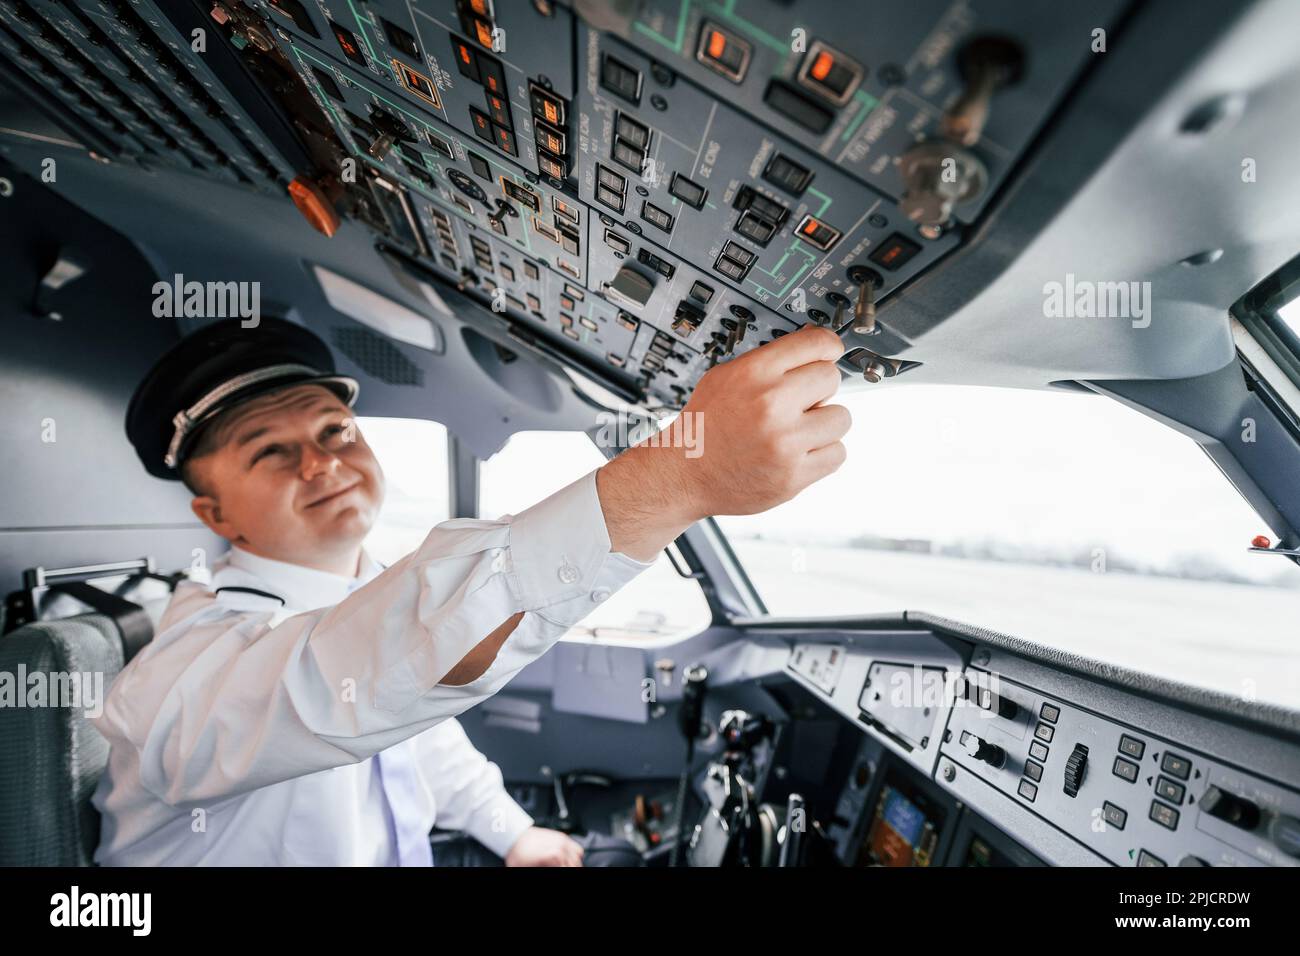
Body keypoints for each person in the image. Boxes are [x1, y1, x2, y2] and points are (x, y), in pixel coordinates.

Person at [92, 316, 849, 865]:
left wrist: (513, 833)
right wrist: (681, 475)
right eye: (271, 452)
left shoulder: (361, 597)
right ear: (212, 513)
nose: (323, 464)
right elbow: (335, 685)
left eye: (334, 432)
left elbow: (417, 740)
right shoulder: (191, 656)